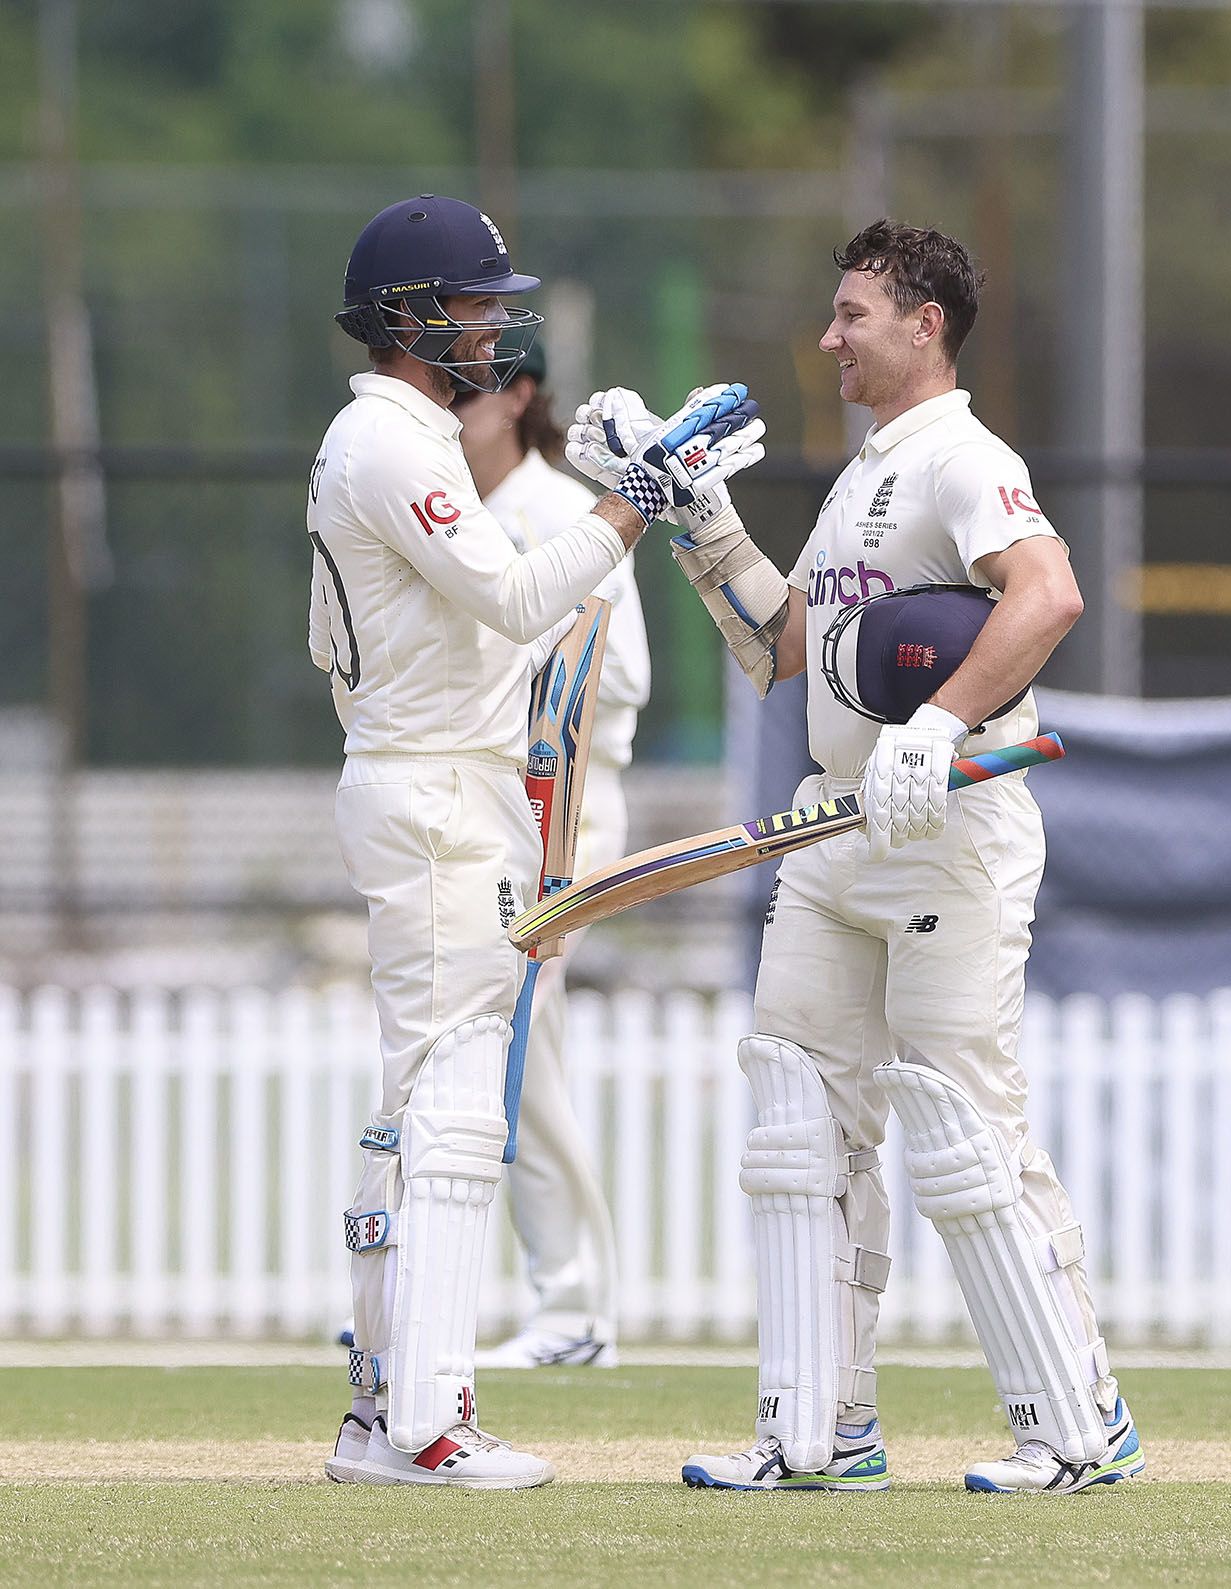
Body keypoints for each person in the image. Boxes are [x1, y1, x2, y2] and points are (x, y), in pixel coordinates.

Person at [570, 219, 1143, 1495]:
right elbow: (786, 649)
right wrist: (700, 520)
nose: (827, 339)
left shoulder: (961, 458)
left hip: (945, 822)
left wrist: (937, 726)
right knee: (798, 1118)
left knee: (960, 1122)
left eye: (852, 316)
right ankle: (817, 1426)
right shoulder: (859, 477)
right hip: (831, 822)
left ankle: (1077, 1421)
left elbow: (1046, 593)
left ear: (924, 324)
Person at [309, 194, 761, 1488]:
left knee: (422, 1100)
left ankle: (381, 1410)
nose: (491, 329)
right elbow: (514, 600)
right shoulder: (389, 442)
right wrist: (633, 504)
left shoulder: (394, 436)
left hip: (438, 784)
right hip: (436, 795)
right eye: (472, 305)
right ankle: (424, 1423)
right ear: (409, 315)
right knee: (450, 1103)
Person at [452, 332, 650, 1368]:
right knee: (486, 1039)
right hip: (487, 804)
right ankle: (476, 1297)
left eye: (468, 386)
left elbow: (624, 675)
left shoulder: (561, 510)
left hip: (566, 802)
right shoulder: (456, 510)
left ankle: (574, 1310)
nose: (447, 405)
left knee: (522, 1041)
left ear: (519, 393)